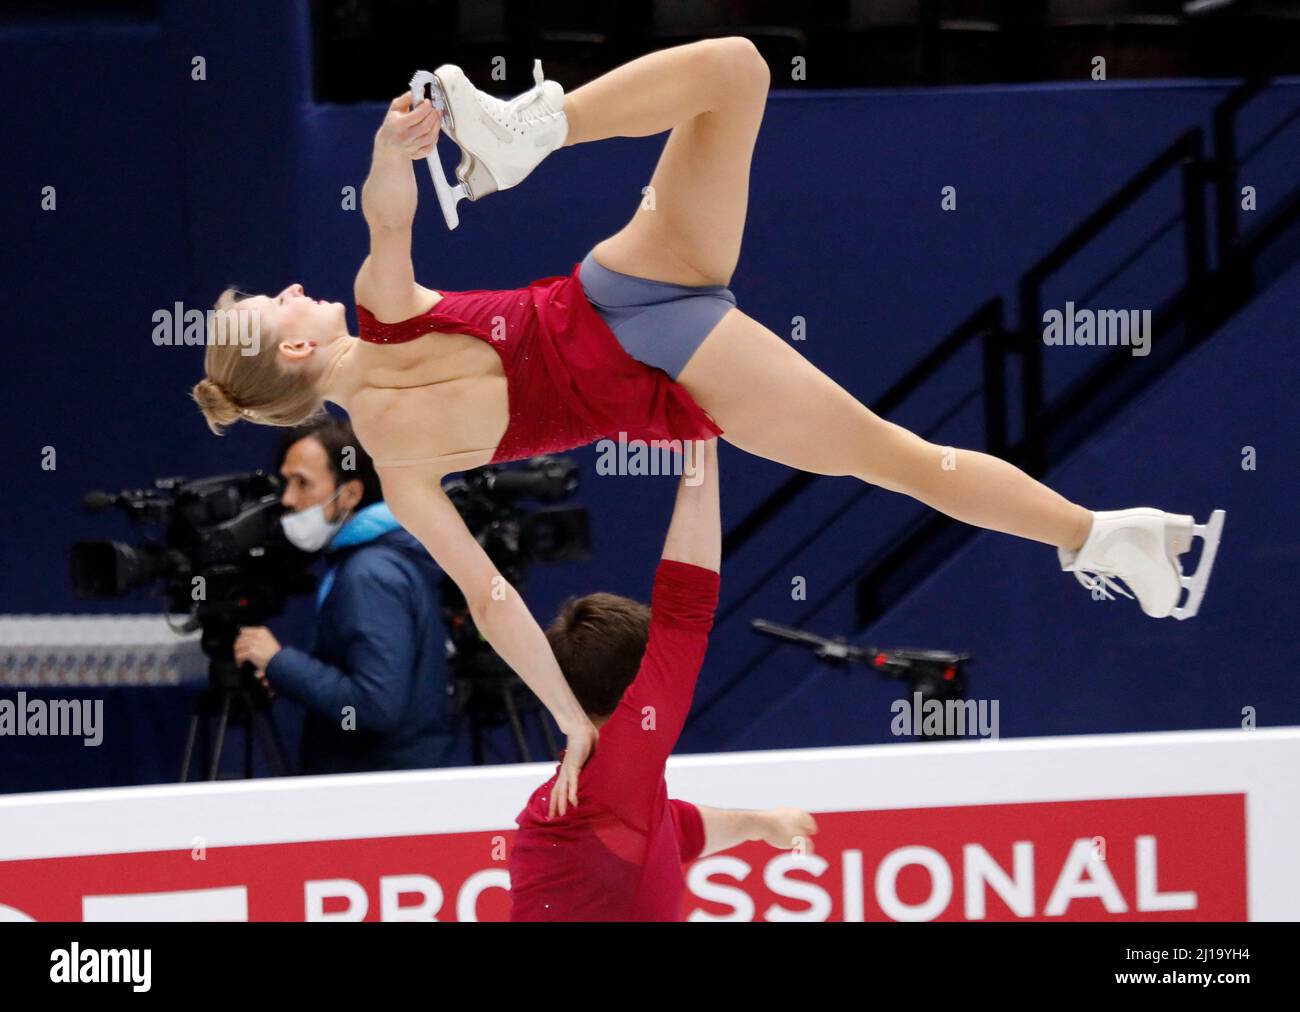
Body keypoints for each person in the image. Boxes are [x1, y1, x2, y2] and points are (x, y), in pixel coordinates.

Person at [194, 38, 1224, 808]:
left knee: (738, 85)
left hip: (644, 330)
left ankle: (1098, 536)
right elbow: (386, 211)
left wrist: (571, 722)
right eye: (277, 304)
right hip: (647, 328)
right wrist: (385, 144)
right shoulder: (383, 312)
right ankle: (1104, 534)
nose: (290, 288)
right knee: (736, 74)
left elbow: (494, 597)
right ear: (291, 352)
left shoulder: (398, 459)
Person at [509, 439, 818, 921]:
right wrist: (702, 448)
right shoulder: (613, 777)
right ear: (637, 690)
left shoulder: (601, 797)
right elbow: (684, 611)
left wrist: (761, 824)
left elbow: (675, 828)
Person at [233, 415, 461, 774]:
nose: (289, 499)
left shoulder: (369, 574)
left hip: (379, 801)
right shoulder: (378, 559)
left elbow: (374, 707)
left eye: (302, 483)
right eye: (285, 483)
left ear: (351, 493)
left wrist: (279, 662)